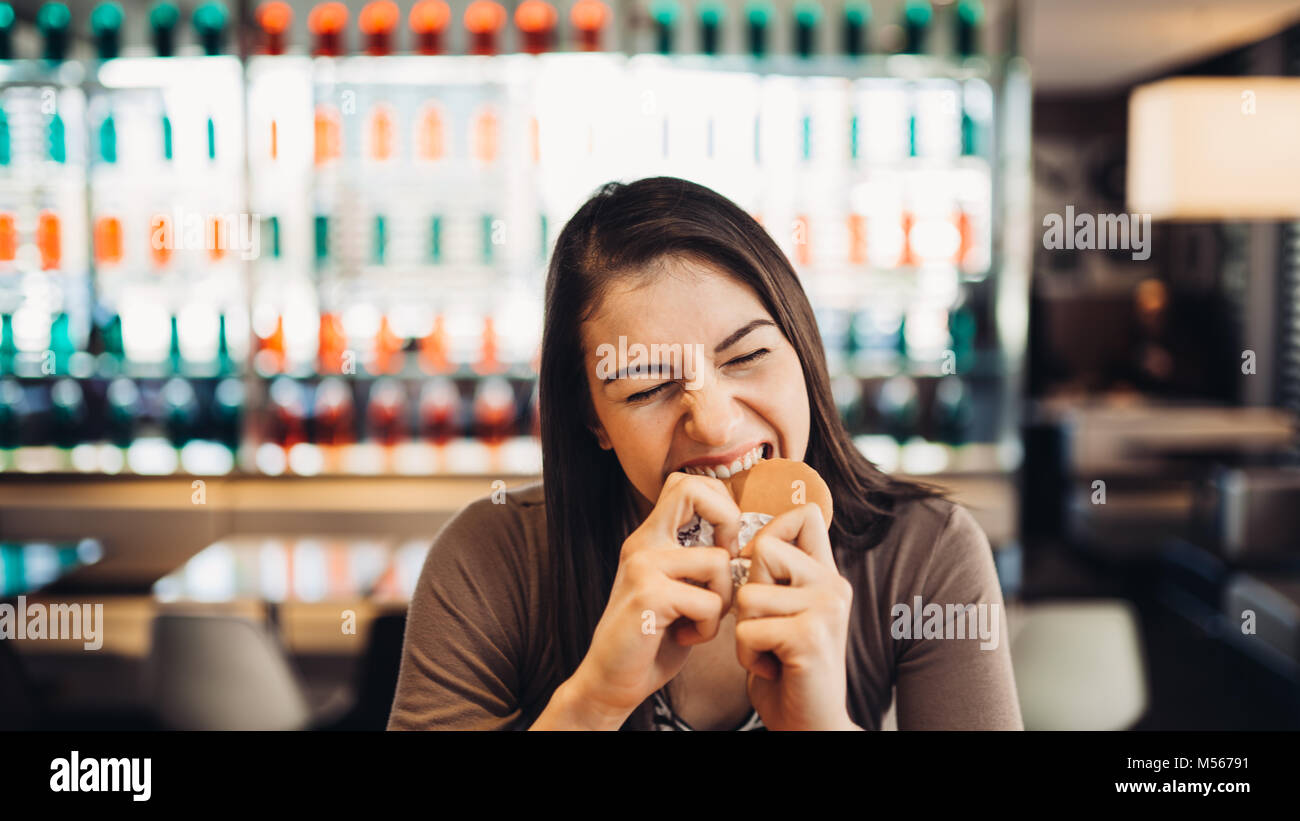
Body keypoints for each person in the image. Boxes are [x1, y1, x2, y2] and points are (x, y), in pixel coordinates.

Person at [388, 177, 1022, 731]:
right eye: (647, 387)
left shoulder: (925, 553)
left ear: (802, 351)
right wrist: (593, 703)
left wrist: (820, 726)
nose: (715, 425)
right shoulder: (490, 558)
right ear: (593, 418)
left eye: (747, 356)